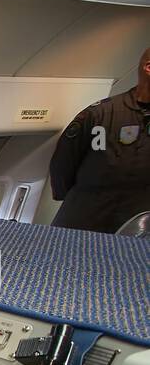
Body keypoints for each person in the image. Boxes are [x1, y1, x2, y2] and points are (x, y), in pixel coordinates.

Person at [49, 47, 150, 234]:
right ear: (148, 68)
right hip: (84, 219)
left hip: (139, 228)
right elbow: (63, 164)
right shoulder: (100, 114)